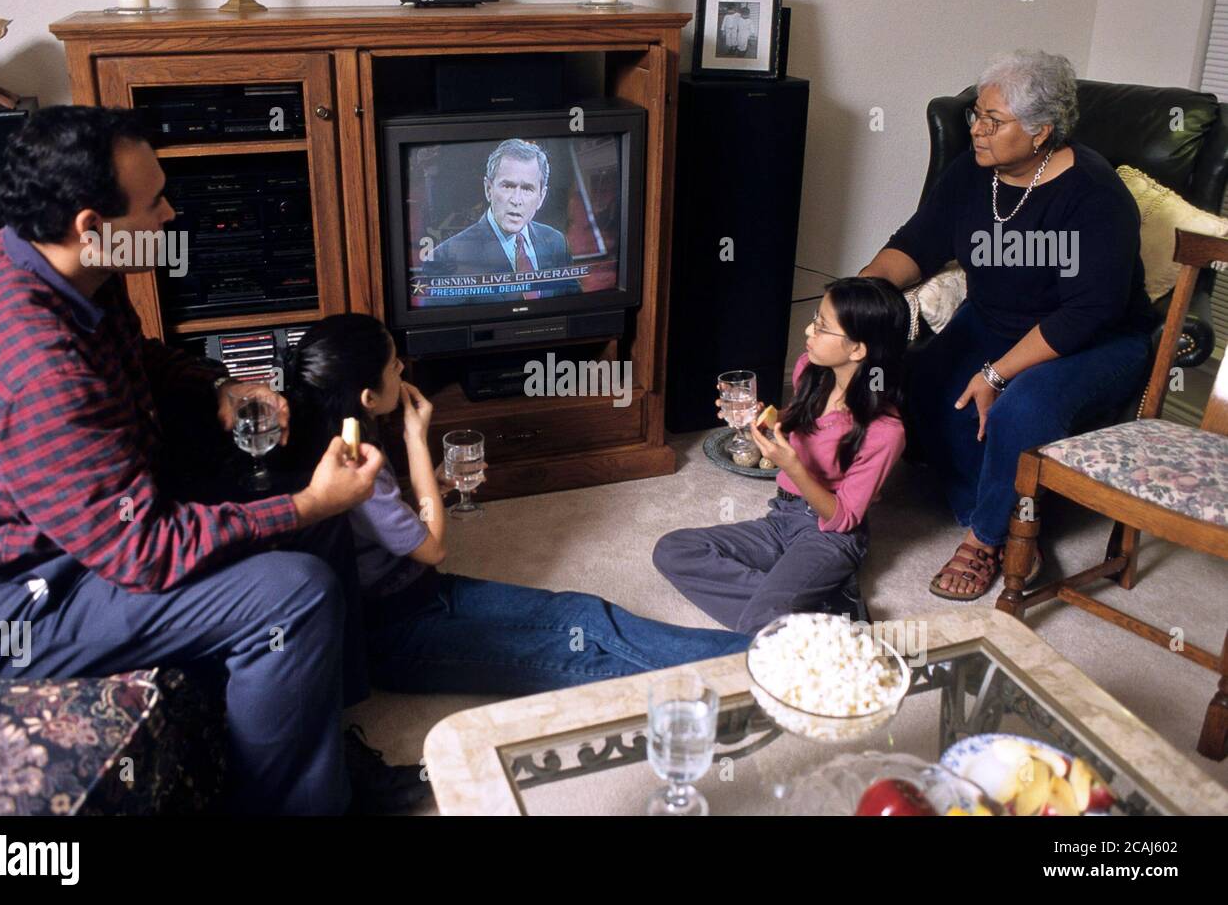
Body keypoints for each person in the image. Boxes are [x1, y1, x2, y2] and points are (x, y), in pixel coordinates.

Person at [0, 105, 420, 815]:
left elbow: (136, 360)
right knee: (293, 588)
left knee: (300, 508)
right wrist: (309, 503)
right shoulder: (30, 359)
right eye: (154, 201)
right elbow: (144, 551)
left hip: (80, 529)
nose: (170, 214)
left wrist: (219, 386)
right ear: (92, 225)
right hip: (9, 600)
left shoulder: (57, 263)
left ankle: (324, 746)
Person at [277, 312, 753, 694]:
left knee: (582, 613)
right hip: (393, 635)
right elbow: (432, 546)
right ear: (366, 396)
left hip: (422, 592)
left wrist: (433, 487)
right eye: (393, 364)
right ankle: (750, 678)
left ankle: (760, 654)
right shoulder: (355, 461)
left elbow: (380, 529)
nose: (402, 367)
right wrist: (417, 438)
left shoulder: (327, 437)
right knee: (575, 657)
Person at [860, 50, 1154, 600]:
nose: (976, 129)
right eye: (976, 114)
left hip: (1092, 340)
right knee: (916, 377)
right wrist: (859, 293)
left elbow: (1088, 313)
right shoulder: (974, 173)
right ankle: (1005, 510)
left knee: (1022, 407)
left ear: (1041, 130)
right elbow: (918, 244)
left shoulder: (1095, 195)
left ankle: (988, 538)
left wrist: (996, 374)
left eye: (992, 122)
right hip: (997, 320)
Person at [652, 277, 910, 634]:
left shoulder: (885, 431)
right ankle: (823, 605)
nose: (809, 329)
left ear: (858, 349)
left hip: (828, 536)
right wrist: (762, 417)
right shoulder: (811, 371)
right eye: (815, 319)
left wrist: (792, 465)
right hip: (781, 518)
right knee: (673, 550)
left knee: (761, 621)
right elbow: (799, 419)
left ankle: (783, 605)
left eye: (821, 326)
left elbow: (844, 518)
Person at [425, 138, 581, 302]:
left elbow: (574, 307)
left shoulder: (556, 241)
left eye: (527, 189)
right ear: (488, 189)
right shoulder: (447, 257)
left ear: (541, 197)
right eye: (508, 186)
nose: (516, 199)